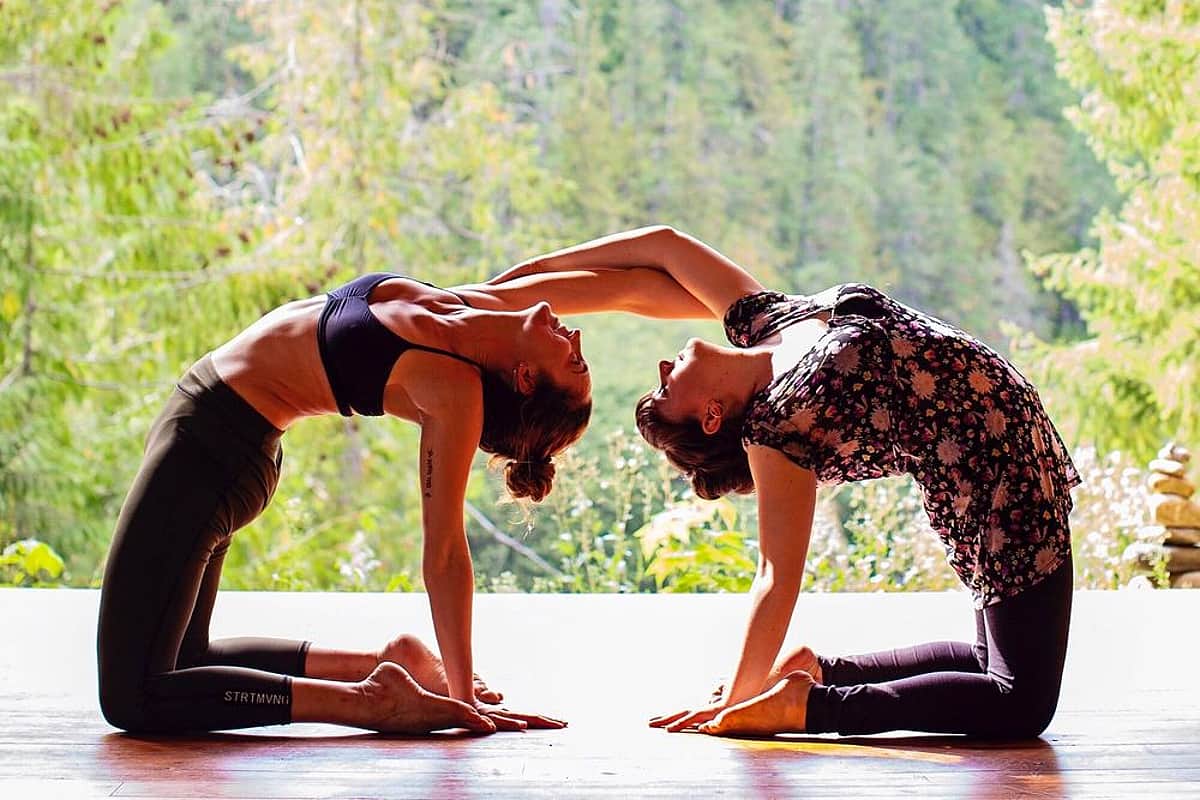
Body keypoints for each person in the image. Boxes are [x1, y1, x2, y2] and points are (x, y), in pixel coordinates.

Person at [490, 226, 1079, 739]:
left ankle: (816, 673)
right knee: (1019, 701)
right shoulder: (779, 423)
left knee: (990, 663)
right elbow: (775, 575)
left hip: (999, 456)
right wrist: (741, 699)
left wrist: (511, 289)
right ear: (712, 415)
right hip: (999, 481)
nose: (664, 367)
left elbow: (658, 256)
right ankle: (810, 705)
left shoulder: (766, 325)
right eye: (668, 388)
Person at [97, 272, 597, 735]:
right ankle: (387, 662)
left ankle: (369, 701)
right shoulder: (459, 310)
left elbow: (444, 551)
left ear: (527, 377)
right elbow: (618, 271)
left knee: (132, 699)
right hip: (211, 433)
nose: (574, 337)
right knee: (187, 658)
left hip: (211, 455)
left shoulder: (454, 388)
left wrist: (464, 702)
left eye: (573, 361)